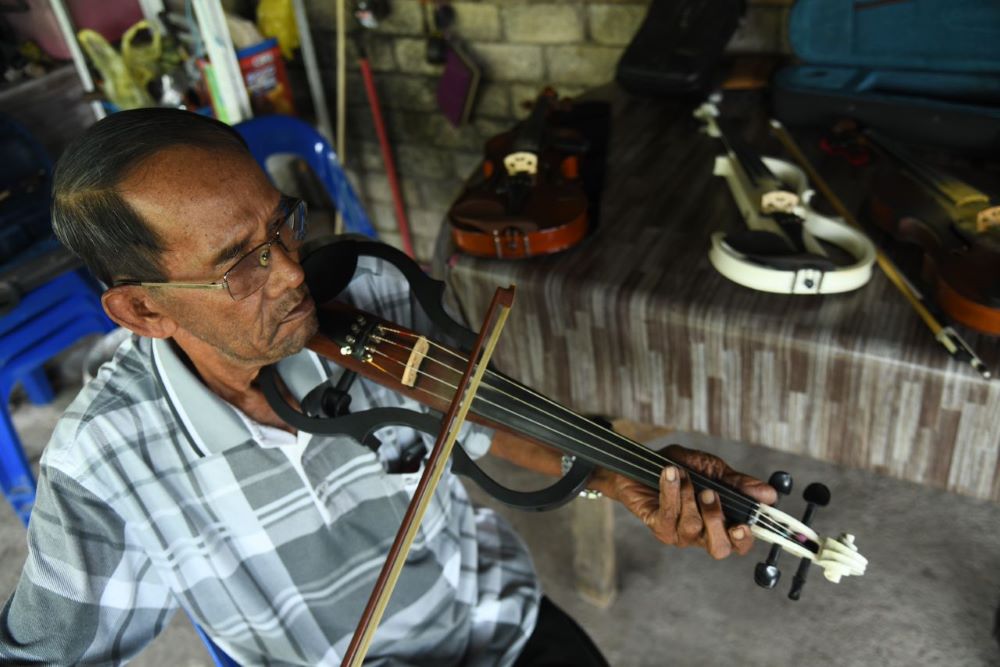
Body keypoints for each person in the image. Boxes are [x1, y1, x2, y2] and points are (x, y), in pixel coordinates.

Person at [0, 109, 776, 666]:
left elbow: (471, 415)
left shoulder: (368, 287)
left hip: (495, 621)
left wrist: (624, 475)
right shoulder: (105, 460)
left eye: (284, 226)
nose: (296, 273)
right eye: (241, 264)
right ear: (141, 308)